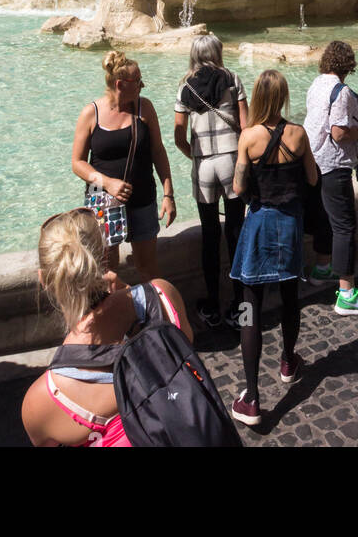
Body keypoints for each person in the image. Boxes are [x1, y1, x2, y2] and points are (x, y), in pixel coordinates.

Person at [22, 208, 192, 447]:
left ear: (44, 279)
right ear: (104, 255)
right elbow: (185, 350)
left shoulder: (41, 402)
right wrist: (129, 291)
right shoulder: (164, 296)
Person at [229, 69, 318, 426]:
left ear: (257, 97)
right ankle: (288, 361)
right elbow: (312, 178)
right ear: (282, 97)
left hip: (259, 224)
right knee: (289, 295)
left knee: (250, 305)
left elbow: (238, 188)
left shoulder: (248, 137)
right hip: (290, 224)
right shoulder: (299, 133)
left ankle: (251, 397)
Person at [71, 50, 175, 281]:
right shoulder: (91, 114)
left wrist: (169, 194)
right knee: (107, 270)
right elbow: (77, 163)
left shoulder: (145, 108)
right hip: (103, 202)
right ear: (120, 84)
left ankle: (156, 313)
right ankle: (115, 314)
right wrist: (107, 183)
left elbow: (158, 151)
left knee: (147, 268)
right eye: (137, 81)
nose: (142, 84)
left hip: (143, 200)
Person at [303, 40, 358, 315]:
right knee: (344, 226)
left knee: (323, 219)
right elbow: (339, 133)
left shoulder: (316, 84)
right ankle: (347, 294)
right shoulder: (342, 92)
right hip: (333, 165)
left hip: (313, 162)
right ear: (348, 65)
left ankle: (321, 268)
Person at [174, 33, 247, 329]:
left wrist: (193, 154)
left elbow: (178, 135)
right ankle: (240, 303)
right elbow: (247, 124)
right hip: (232, 162)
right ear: (217, 52)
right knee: (236, 232)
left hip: (204, 165)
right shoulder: (232, 78)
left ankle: (212, 304)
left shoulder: (185, 86)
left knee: (209, 236)